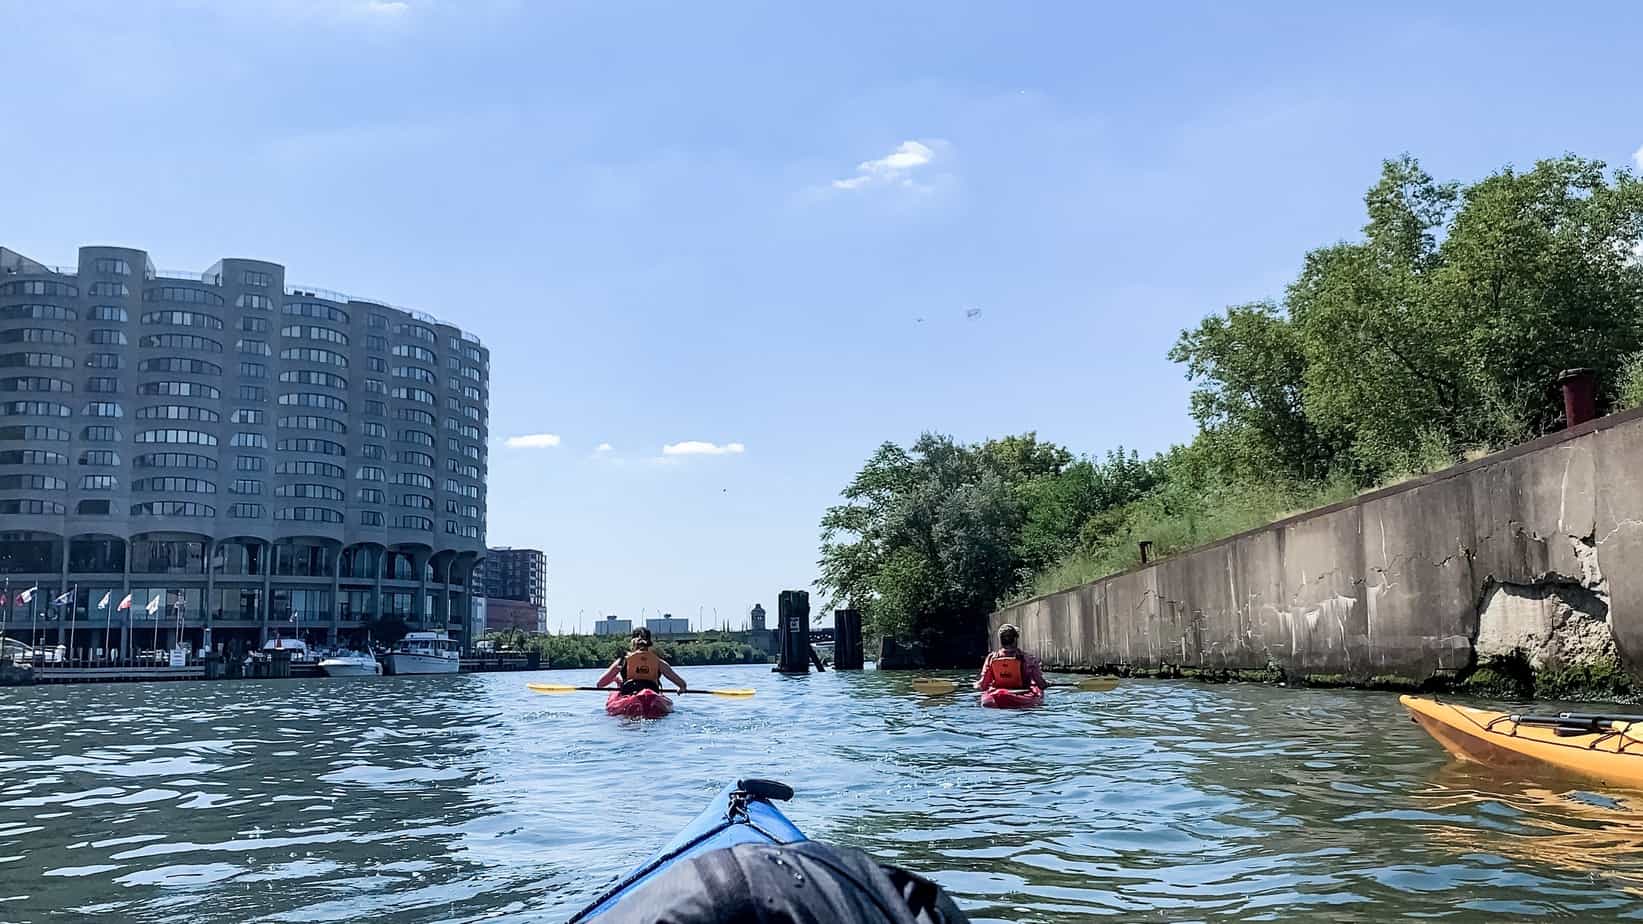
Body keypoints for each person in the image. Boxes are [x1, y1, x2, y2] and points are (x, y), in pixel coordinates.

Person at [598, 627, 688, 694]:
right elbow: (682, 684)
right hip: (652, 694)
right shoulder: (659, 662)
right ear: (649, 643)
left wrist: (616, 680)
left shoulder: (623, 661)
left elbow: (600, 684)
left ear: (632, 642)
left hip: (629, 695)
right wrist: (681, 689)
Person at [974, 623, 1045, 692]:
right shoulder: (1029, 659)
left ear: (1000, 640)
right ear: (1015, 639)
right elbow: (1041, 684)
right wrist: (1047, 684)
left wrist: (976, 685)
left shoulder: (991, 658)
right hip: (1023, 693)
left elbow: (983, 686)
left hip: (998, 696)